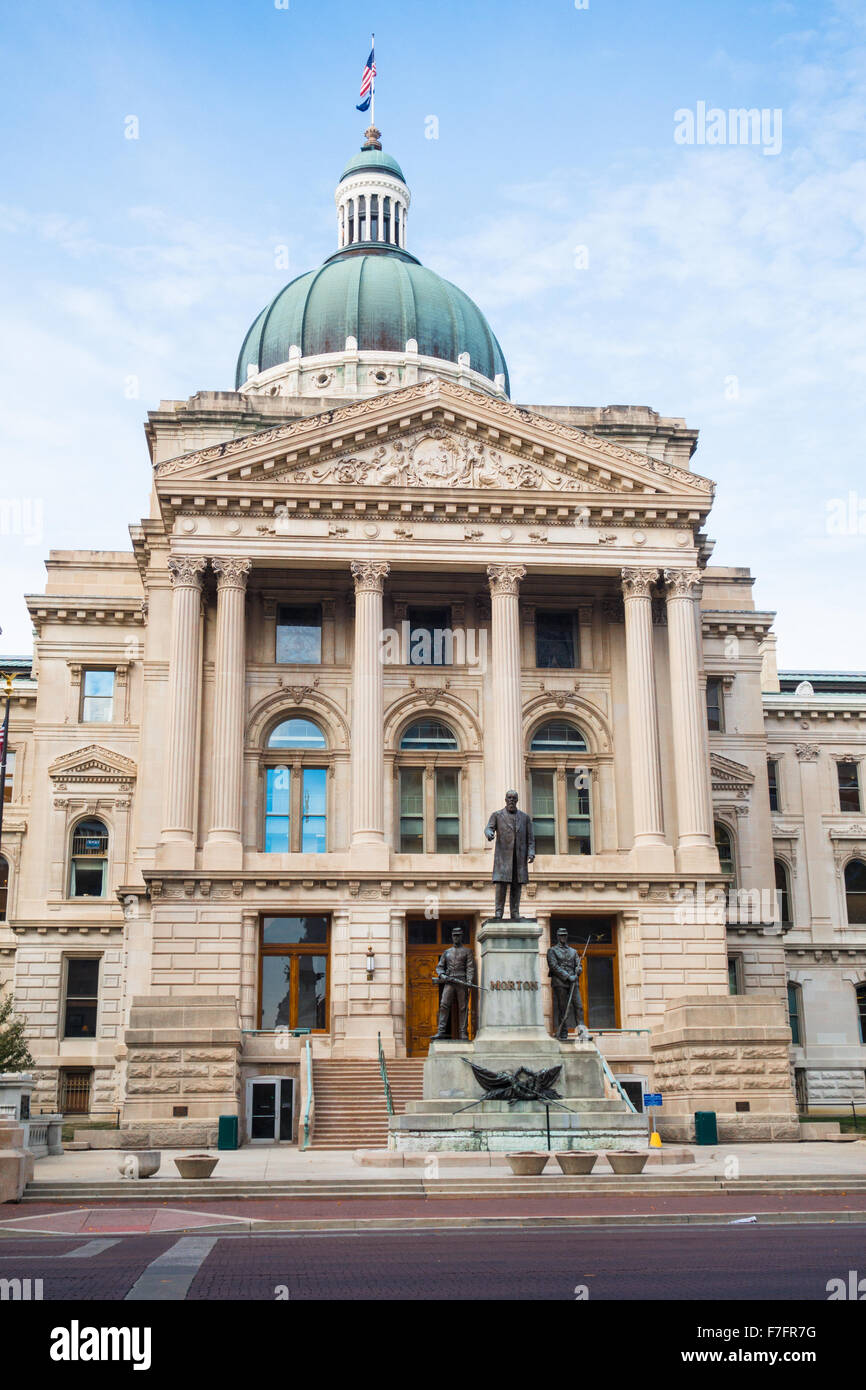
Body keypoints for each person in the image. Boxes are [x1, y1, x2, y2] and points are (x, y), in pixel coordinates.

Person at [485, 790, 535, 920]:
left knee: (516, 886)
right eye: (509, 798)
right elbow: (489, 828)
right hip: (503, 858)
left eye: (514, 798)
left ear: (517, 800)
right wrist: (489, 833)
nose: (511, 800)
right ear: (505, 799)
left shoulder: (525, 818)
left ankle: (515, 912)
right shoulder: (497, 815)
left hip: (519, 858)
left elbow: (530, 838)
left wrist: (531, 851)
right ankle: (498, 912)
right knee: (501, 886)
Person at [431, 925, 476, 1040]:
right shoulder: (447, 952)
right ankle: (441, 1031)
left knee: (463, 1007)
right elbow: (439, 967)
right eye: (454, 936)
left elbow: (470, 967)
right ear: (452, 937)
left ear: (461, 937)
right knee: (444, 1005)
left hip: (461, 981)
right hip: (449, 981)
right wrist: (442, 975)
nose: (456, 938)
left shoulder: (467, 951)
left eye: (458, 936)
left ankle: (463, 1032)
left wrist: (469, 981)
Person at [547, 926, 588, 1040]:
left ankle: (582, 1032)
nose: (563, 937)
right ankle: (563, 1032)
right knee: (563, 1008)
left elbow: (578, 965)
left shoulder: (573, 951)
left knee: (579, 1006)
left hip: (574, 982)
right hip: (560, 982)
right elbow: (554, 966)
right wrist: (567, 976)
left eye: (564, 935)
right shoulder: (552, 951)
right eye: (561, 935)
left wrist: (579, 969)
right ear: (557, 936)